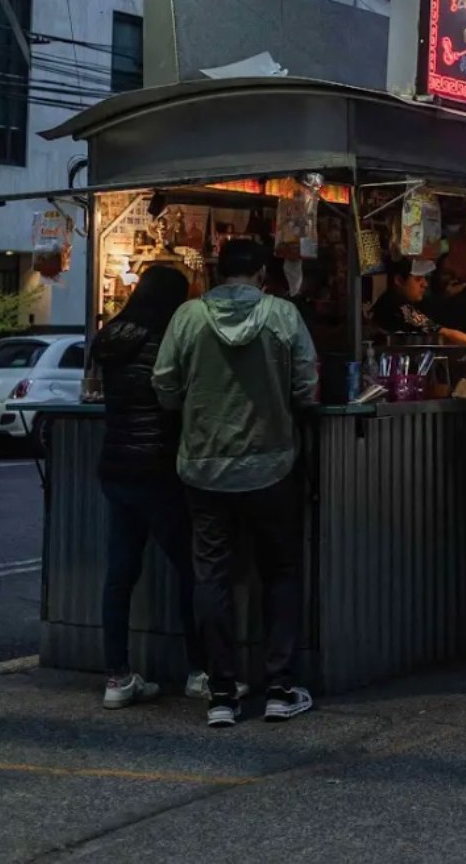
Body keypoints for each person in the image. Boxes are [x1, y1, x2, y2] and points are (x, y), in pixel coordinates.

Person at [154, 238, 320, 727]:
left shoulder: (188, 318)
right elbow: (307, 387)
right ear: (263, 273)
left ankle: (221, 693)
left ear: (215, 273)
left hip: (203, 468)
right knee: (280, 574)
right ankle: (280, 687)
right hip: (271, 468)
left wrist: (193, 405)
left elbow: (163, 383)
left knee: (212, 578)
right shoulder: (282, 315)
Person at [91, 265, 203, 708]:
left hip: (116, 468)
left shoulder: (113, 337)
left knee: (120, 575)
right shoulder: (168, 339)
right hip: (160, 468)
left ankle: (117, 676)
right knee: (192, 570)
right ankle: (200, 669)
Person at [372, 258, 466, 345]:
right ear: (399, 280)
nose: (425, 284)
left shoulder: (398, 302)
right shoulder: (397, 306)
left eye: (425, 278)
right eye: (418, 279)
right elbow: (442, 332)